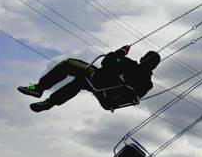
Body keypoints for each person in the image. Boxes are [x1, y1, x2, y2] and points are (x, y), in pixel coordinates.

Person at [17, 46, 161, 113]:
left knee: (69, 64)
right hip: (106, 97)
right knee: (80, 82)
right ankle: (49, 103)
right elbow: (134, 97)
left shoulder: (128, 64)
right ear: (154, 67)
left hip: (97, 80)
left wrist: (120, 52)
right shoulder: (147, 85)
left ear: (142, 59)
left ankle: (39, 88)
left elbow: (106, 62)